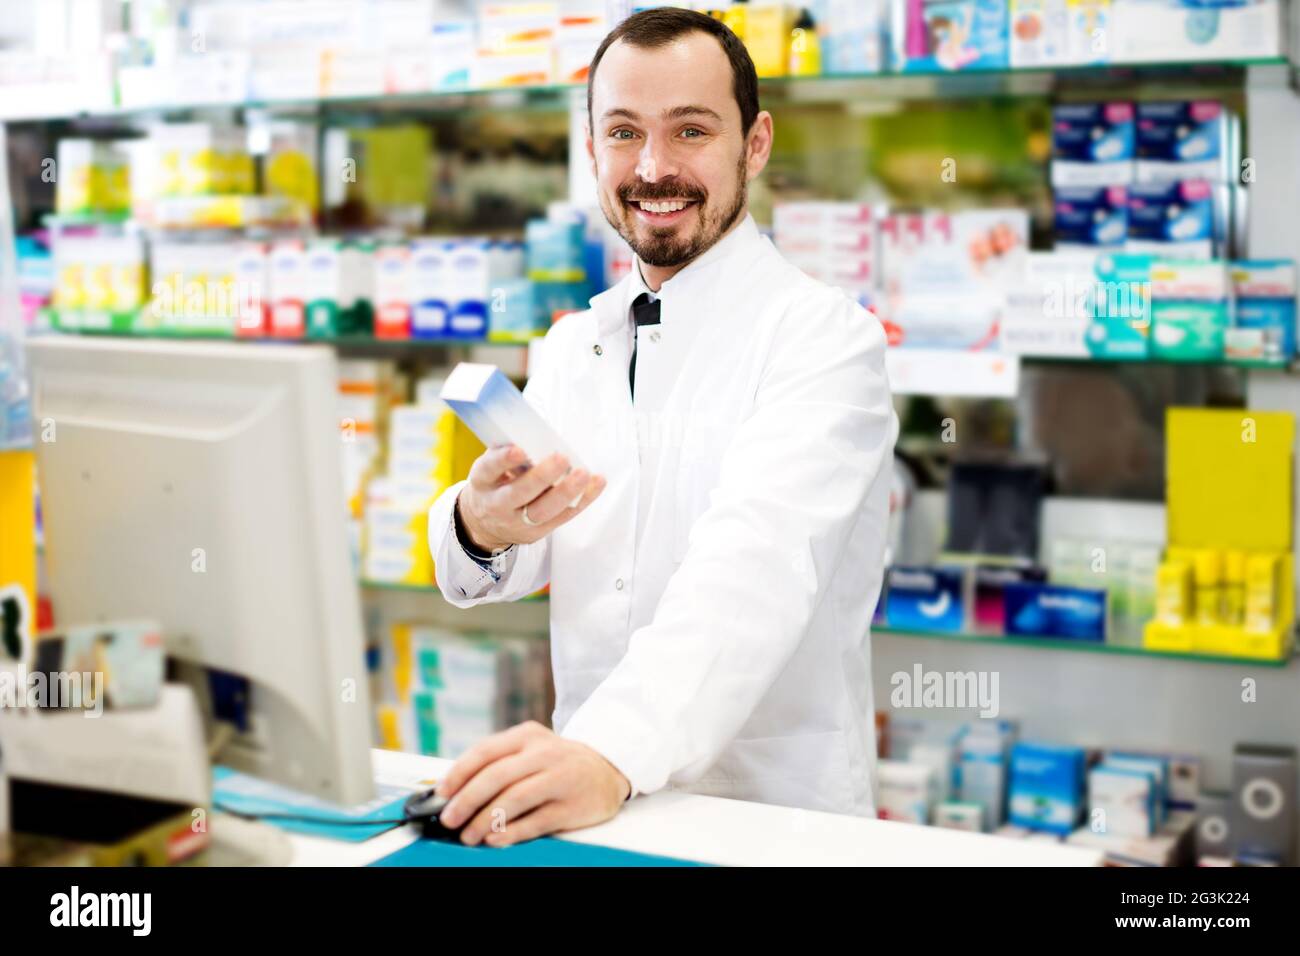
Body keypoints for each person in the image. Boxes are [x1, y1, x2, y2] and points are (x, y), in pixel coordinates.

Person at [426, 7, 896, 847]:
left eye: (689, 131)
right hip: (585, 814)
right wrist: (482, 524)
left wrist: (610, 750)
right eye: (623, 133)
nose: (653, 168)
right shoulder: (575, 345)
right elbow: (543, 551)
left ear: (753, 145)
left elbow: (754, 571)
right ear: (591, 150)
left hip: (767, 824)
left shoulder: (825, 340)